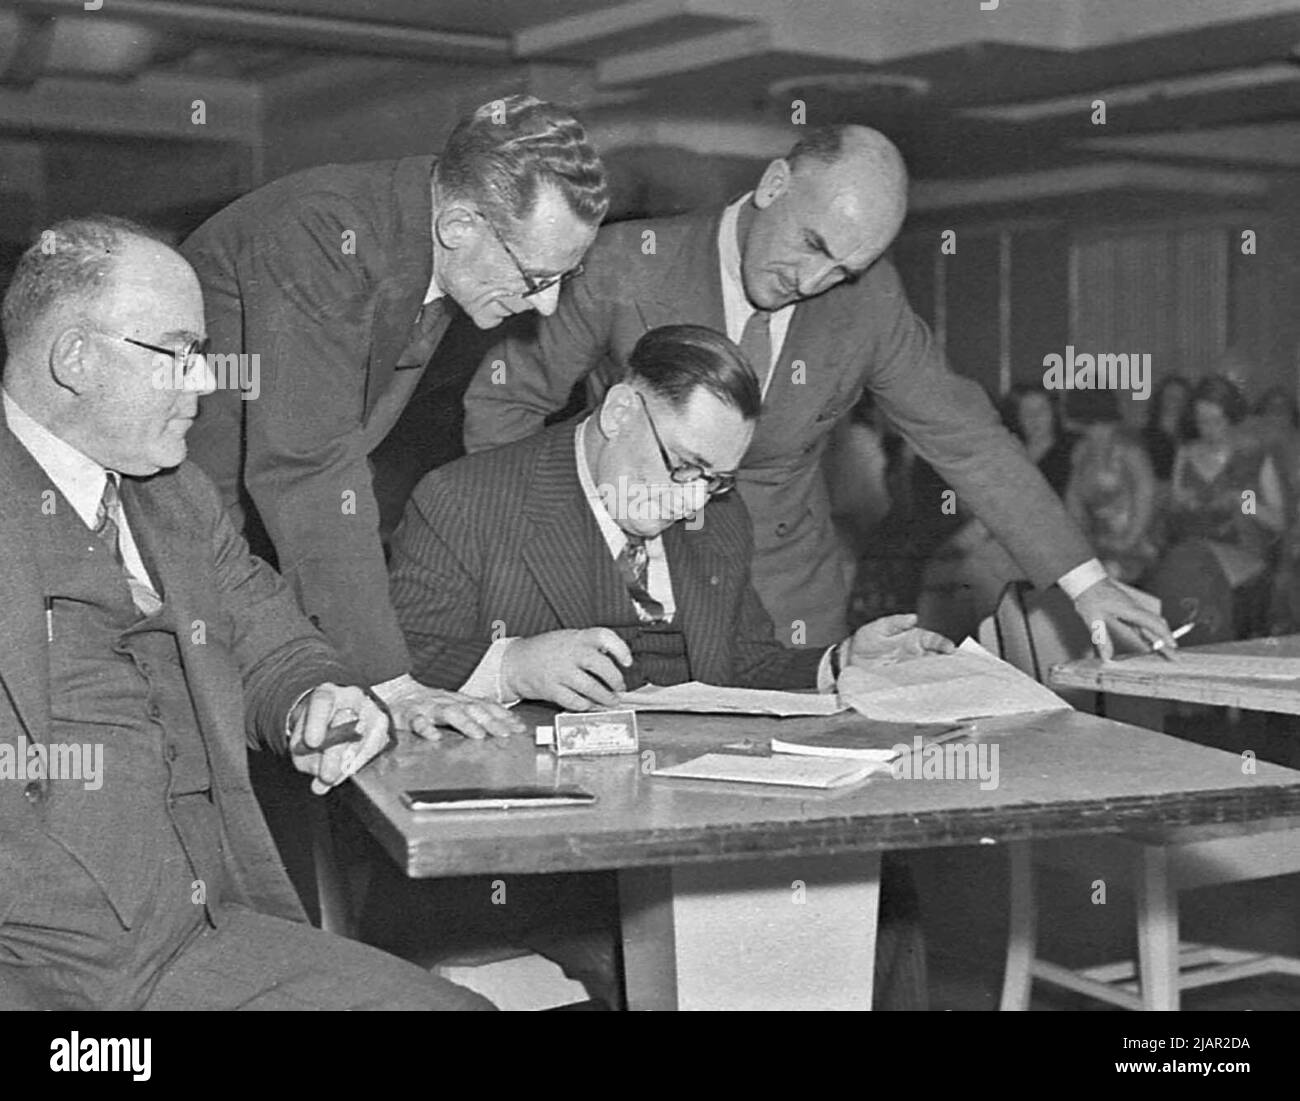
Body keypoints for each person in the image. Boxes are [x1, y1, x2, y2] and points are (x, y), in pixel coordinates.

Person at [0, 216, 491, 1010]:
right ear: (76, 359)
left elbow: (266, 629)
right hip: (42, 965)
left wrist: (315, 697)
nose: (204, 383)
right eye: (179, 354)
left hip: (208, 925)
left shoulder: (173, 493)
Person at [387, 324, 949, 1009]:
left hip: (701, 826)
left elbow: (744, 662)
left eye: (716, 480)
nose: (691, 503)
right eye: (683, 467)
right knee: (720, 945)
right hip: (562, 857)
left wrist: (839, 662)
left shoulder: (717, 516)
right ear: (622, 411)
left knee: (881, 892)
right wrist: (514, 664)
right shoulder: (464, 500)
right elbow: (394, 664)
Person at [462, 123, 1172, 661]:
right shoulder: (626, 264)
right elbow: (503, 402)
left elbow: (968, 437)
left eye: (843, 268)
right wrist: (557, 550)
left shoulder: (868, 301)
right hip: (620, 586)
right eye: (810, 243)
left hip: (785, 601)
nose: (811, 281)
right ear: (773, 184)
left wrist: (1085, 582)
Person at [181, 94, 607, 691]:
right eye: (537, 277)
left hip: (228, 549)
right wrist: (389, 683)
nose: (548, 304)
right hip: (158, 545)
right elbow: (308, 468)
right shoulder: (324, 231)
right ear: (459, 224)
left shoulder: (428, 254)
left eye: (565, 278)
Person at [1158, 375, 1286, 640]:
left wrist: (1243, 501)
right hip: (1191, 545)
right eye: (1202, 420)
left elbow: (1277, 521)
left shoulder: (1253, 454)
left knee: (1195, 570)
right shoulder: (1186, 453)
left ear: (1231, 417)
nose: (1209, 429)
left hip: (1240, 548)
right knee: (1183, 567)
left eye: (1216, 421)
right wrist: (1181, 502)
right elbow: (1171, 510)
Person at [1063, 389, 1159, 585]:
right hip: (1097, 547)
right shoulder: (1081, 451)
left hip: (1135, 549)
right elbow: (1073, 501)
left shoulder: (1130, 451)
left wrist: (1128, 541)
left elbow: (1146, 497)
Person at [1142, 374, 1192, 483]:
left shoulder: (1192, 437)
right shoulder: (1144, 438)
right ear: (1159, 399)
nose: (1174, 402)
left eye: (1180, 398)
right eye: (1170, 396)